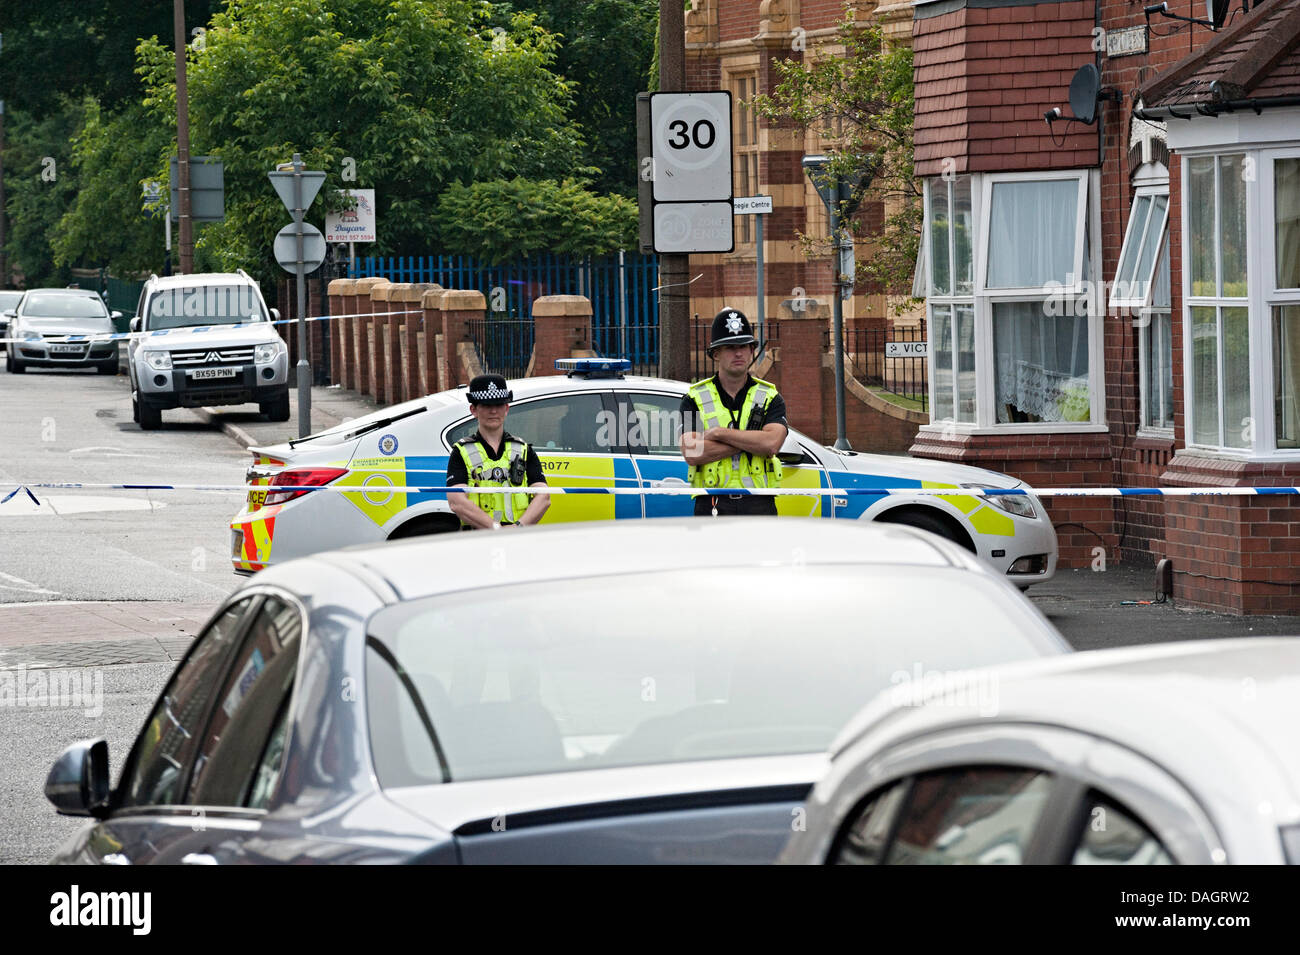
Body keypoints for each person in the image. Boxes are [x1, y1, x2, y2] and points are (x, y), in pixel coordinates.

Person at [679, 307, 789, 516]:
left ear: (751, 351)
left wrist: (720, 434)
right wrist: (751, 441)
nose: (738, 353)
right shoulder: (693, 398)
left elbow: (771, 444)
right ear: (715, 354)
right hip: (712, 502)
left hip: (758, 503)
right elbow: (692, 452)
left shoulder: (771, 397)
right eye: (730, 347)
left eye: (744, 346)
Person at [446, 374, 549, 529]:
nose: (494, 411)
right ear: (473, 410)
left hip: (518, 537)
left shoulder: (524, 449)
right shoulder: (461, 452)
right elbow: (456, 502)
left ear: (506, 408)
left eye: (499, 404)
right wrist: (496, 529)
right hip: (479, 538)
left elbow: (544, 497)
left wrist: (517, 528)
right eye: (487, 405)